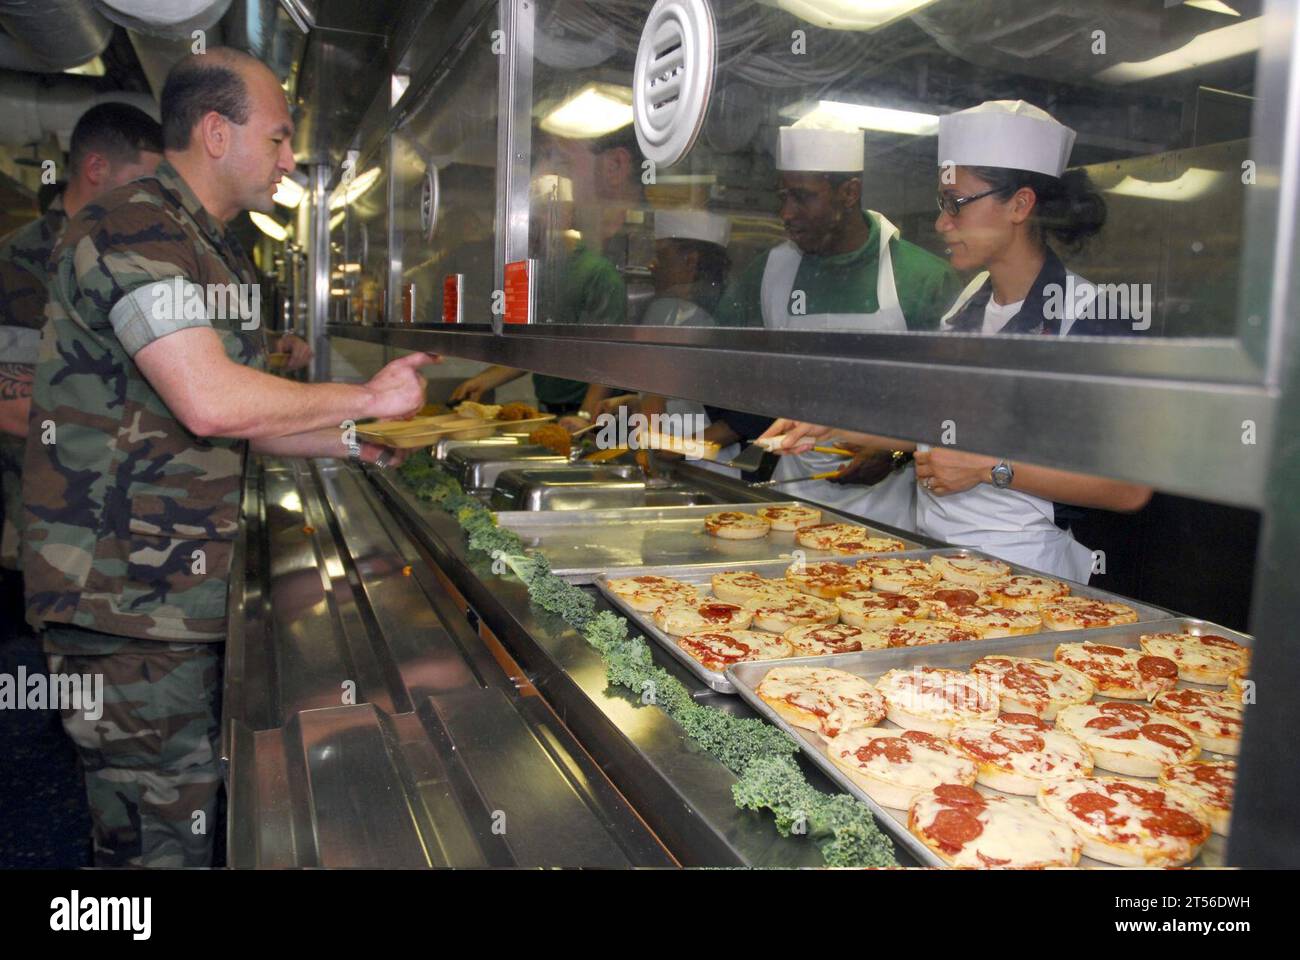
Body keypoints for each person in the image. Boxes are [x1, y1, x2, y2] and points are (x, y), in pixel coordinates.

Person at [21, 47, 432, 867]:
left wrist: (360, 440)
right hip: (123, 604)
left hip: (166, 591)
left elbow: (245, 418)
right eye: (278, 138)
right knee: (155, 845)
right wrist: (364, 398)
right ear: (215, 132)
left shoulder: (201, 240)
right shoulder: (135, 224)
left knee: (183, 816)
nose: (288, 160)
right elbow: (210, 397)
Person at [761, 101, 1152, 581]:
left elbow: (1128, 488)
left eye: (956, 204)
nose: (943, 223)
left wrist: (990, 468)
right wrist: (833, 426)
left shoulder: (1089, 318)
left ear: (1020, 205)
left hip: (1029, 575)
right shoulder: (966, 305)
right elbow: (935, 432)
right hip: (938, 560)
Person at [713, 123, 962, 529]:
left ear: (849, 193)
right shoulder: (769, 272)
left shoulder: (921, 278)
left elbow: (954, 407)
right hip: (790, 498)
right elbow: (734, 370)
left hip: (889, 509)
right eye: (782, 197)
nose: (786, 214)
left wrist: (893, 454)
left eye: (803, 197)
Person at [1, 104, 164, 576]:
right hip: (59, 520)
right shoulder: (26, 260)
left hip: (127, 510)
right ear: (96, 169)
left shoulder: (125, 258)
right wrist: (154, 421)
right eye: (143, 183)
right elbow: (12, 405)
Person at [450, 172, 626, 416]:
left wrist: (585, 418)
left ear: (565, 215)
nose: (532, 224)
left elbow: (609, 356)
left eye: (541, 214)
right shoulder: (537, 273)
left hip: (595, 415)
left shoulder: (598, 273)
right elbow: (534, 349)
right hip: (549, 411)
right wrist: (484, 380)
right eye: (531, 217)